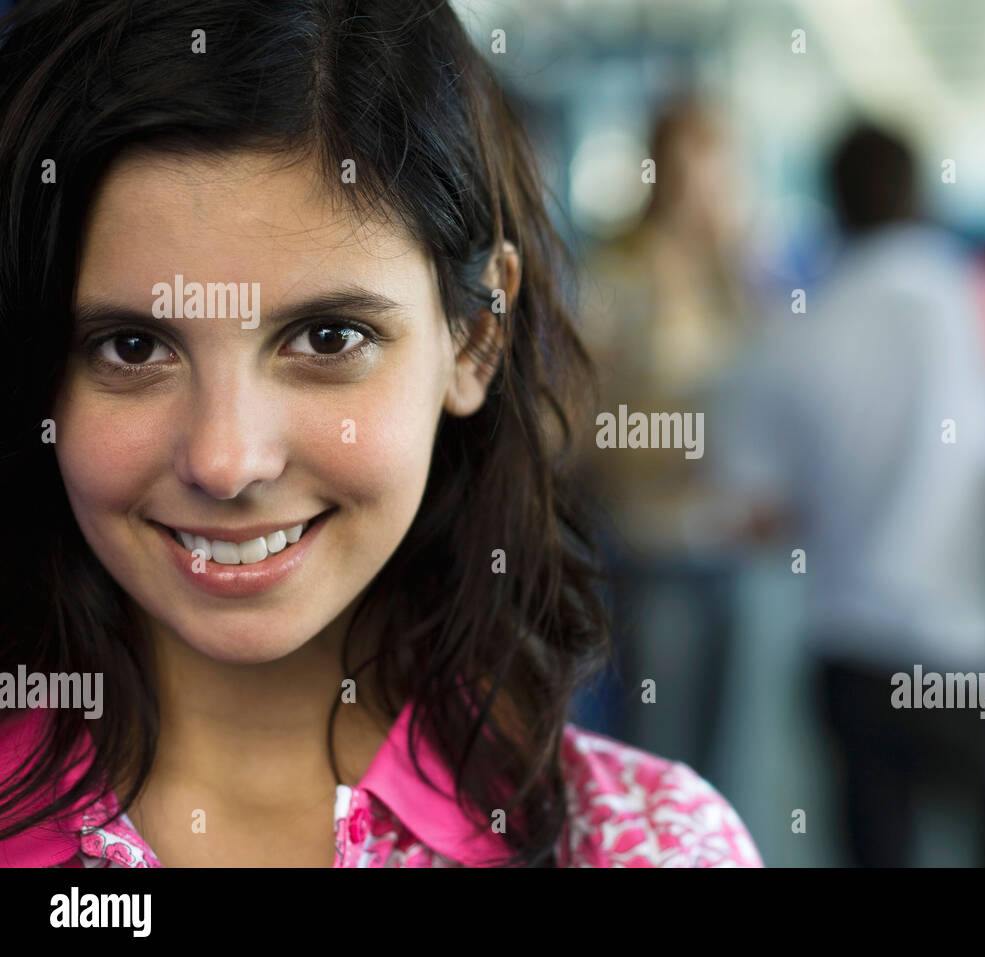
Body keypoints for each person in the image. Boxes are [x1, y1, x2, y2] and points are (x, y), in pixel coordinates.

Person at [0, 0, 762, 868]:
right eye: (131, 346)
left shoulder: (647, 848)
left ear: (477, 336)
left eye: (328, 338)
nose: (225, 460)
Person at [713, 122, 985, 865]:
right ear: (922, 195)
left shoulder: (793, 332)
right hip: (980, 649)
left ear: (831, 204)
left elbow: (753, 514)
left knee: (877, 843)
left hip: (856, 648)